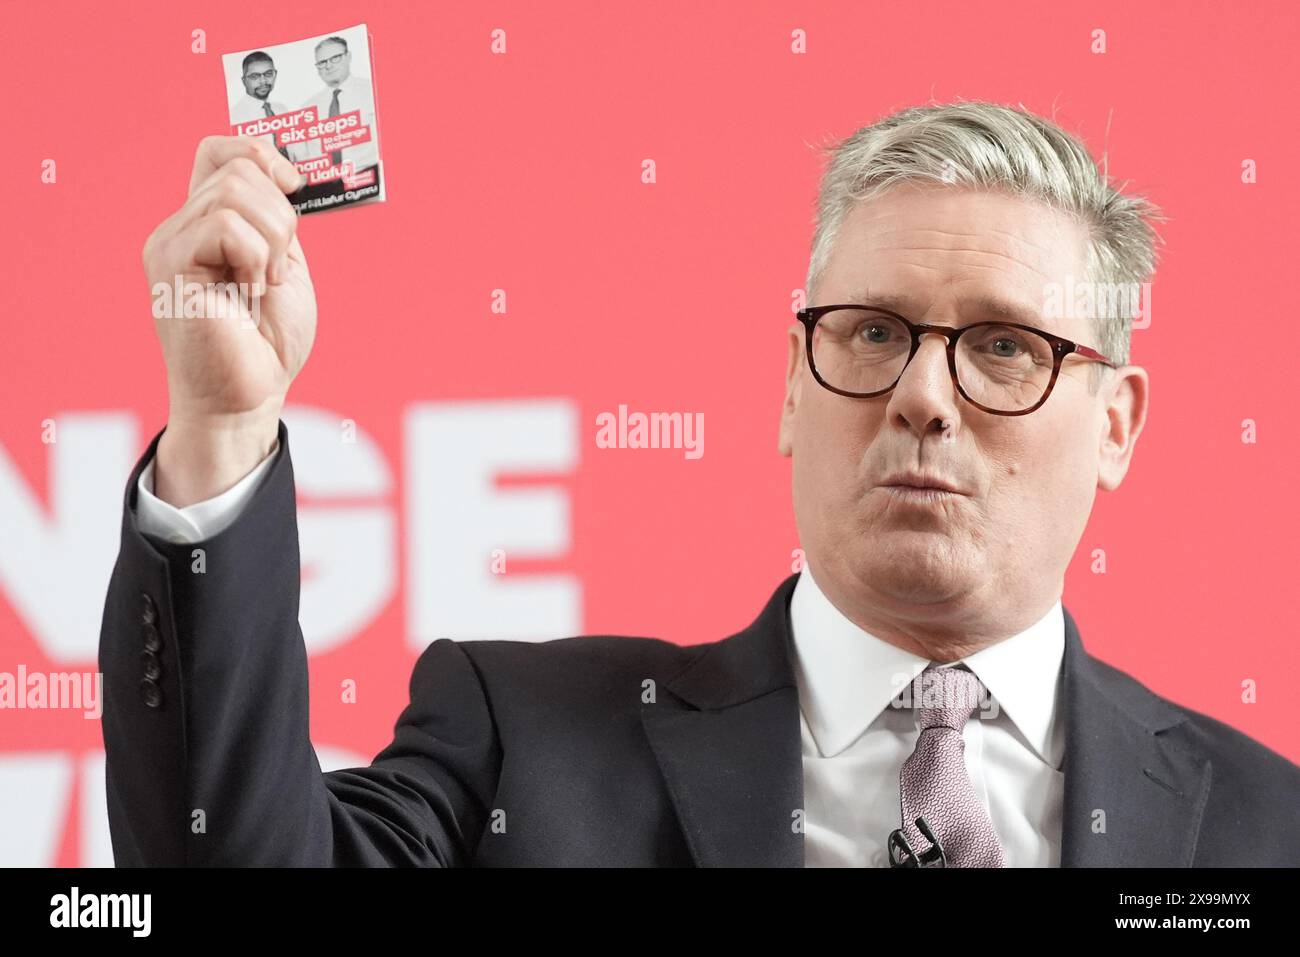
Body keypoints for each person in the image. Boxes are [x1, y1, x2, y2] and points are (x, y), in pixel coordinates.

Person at [100, 101, 1300, 867]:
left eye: (1004, 348)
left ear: (1115, 425)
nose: (924, 397)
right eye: (872, 333)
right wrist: (225, 422)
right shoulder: (523, 745)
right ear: (793, 382)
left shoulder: (1266, 827)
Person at [298, 35, 378, 174]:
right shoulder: (307, 108)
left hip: (368, 177)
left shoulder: (372, 90)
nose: (329, 66)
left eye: (335, 58)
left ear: (348, 57)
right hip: (325, 185)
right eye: (322, 62)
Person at [228, 51, 294, 161]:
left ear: (275, 75)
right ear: (244, 81)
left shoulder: (281, 109)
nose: (263, 81)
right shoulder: (234, 118)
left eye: (268, 74)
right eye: (255, 76)